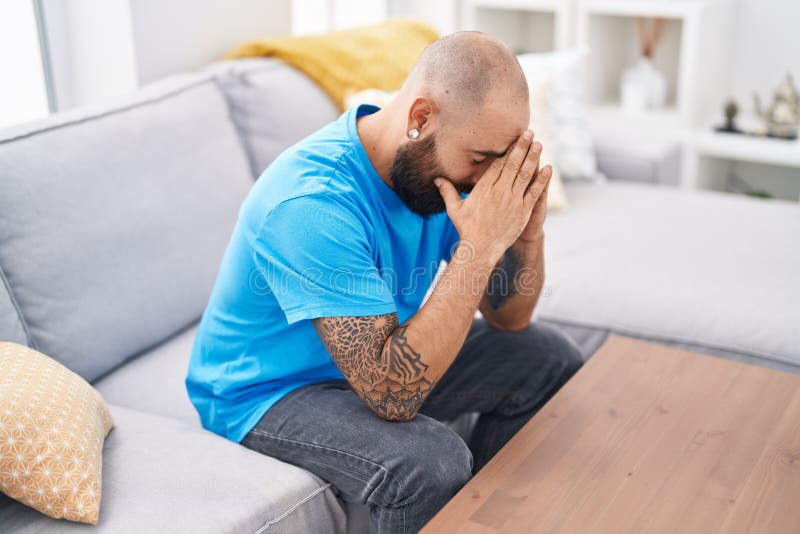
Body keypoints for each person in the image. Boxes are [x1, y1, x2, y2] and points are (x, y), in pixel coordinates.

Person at [185, 31, 584, 533]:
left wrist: (526, 233)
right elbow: (392, 395)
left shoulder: (434, 173)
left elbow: (511, 318)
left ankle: (485, 518)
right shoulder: (311, 203)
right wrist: (478, 247)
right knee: (429, 463)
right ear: (420, 120)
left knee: (546, 357)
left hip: (373, 357)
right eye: (481, 158)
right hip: (265, 390)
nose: (485, 180)